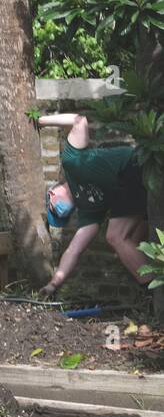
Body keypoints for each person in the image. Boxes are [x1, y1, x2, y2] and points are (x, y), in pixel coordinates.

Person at [39, 113, 151, 297]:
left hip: (134, 166)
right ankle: (152, 296)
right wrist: (53, 284)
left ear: (52, 193)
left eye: (55, 210)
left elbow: (79, 120)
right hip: (136, 189)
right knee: (135, 241)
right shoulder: (89, 213)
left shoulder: (71, 162)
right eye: (62, 216)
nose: (62, 213)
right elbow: (73, 250)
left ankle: (153, 291)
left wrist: (40, 121)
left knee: (116, 236)